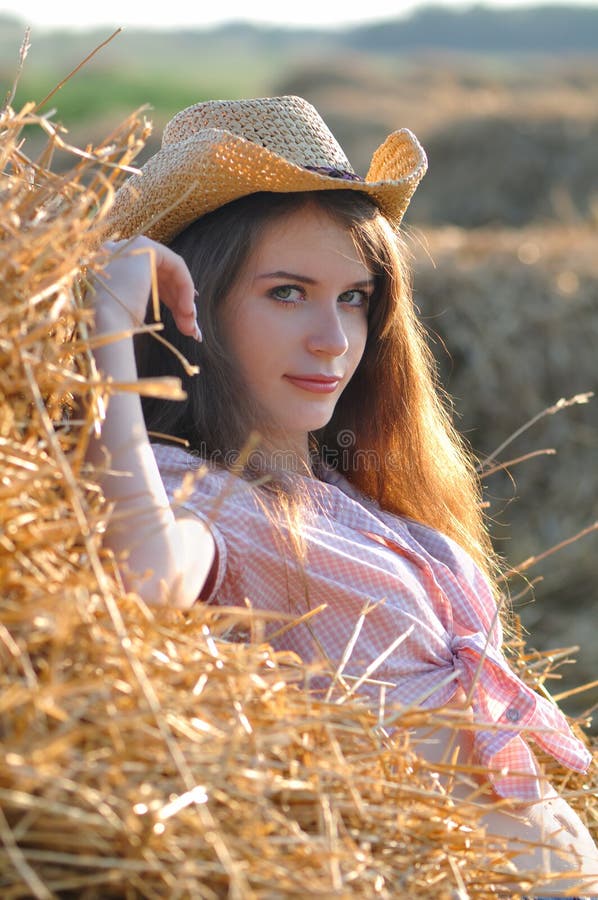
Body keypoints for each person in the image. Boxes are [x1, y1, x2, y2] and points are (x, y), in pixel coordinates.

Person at [89, 96, 597, 895]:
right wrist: (109, 341)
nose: (333, 338)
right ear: (193, 304)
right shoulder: (198, 492)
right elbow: (139, 584)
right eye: (287, 292)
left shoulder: (351, 494)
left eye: (354, 297)